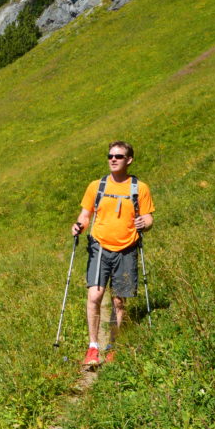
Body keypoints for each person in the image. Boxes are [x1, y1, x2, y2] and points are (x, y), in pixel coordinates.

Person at [70, 141, 154, 366]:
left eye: (118, 156)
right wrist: (78, 226)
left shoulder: (139, 188)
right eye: (110, 156)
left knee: (118, 300)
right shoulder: (97, 186)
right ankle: (93, 347)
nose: (113, 159)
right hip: (100, 246)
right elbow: (85, 215)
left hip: (127, 247)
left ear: (129, 160)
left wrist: (143, 223)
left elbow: (148, 218)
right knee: (95, 296)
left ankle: (113, 345)